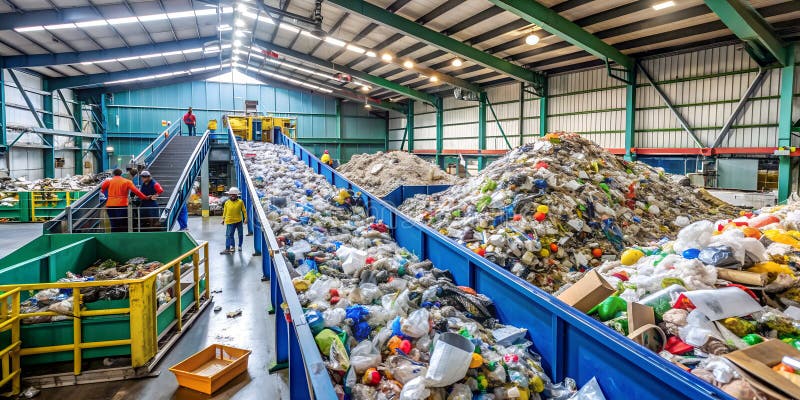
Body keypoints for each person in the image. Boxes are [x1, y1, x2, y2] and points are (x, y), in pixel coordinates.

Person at [220, 187, 246, 254]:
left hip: (239, 221)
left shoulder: (240, 202)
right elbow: (225, 212)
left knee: (240, 234)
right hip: (230, 221)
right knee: (229, 235)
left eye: (234, 194)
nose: (232, 196)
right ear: (229, 195)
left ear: (237, 195)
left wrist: (246, 218)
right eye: (231, 194)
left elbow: (244, 211)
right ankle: (230, 248)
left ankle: (240, 246)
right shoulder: (227, 203)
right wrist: (223, 219)